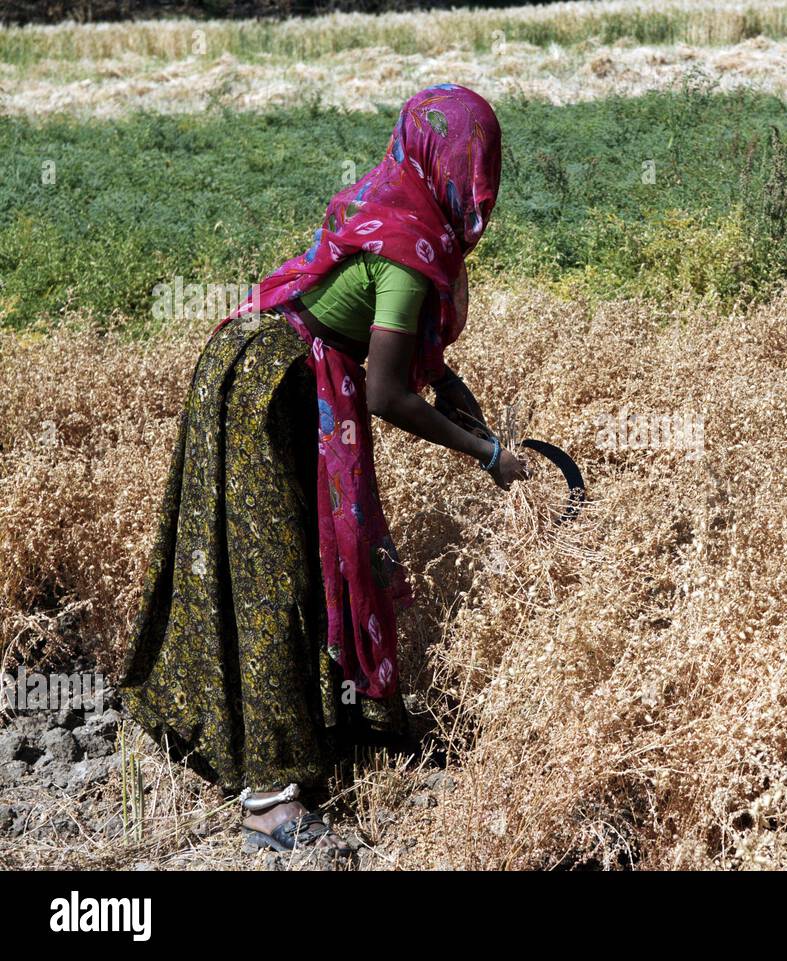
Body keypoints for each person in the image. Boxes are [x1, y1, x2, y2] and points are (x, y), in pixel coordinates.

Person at [120, 84, 528, 854]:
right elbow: (385, 392)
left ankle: (336, 732)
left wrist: (472, 414)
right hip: (264, 389)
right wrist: (489, 455)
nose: (481, 184)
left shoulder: (395, 202)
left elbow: (412, 363)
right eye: (479, 165)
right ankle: (269, 804)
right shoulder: (411, 250)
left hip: (277, 368)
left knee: (312, 561)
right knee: (276, 579)